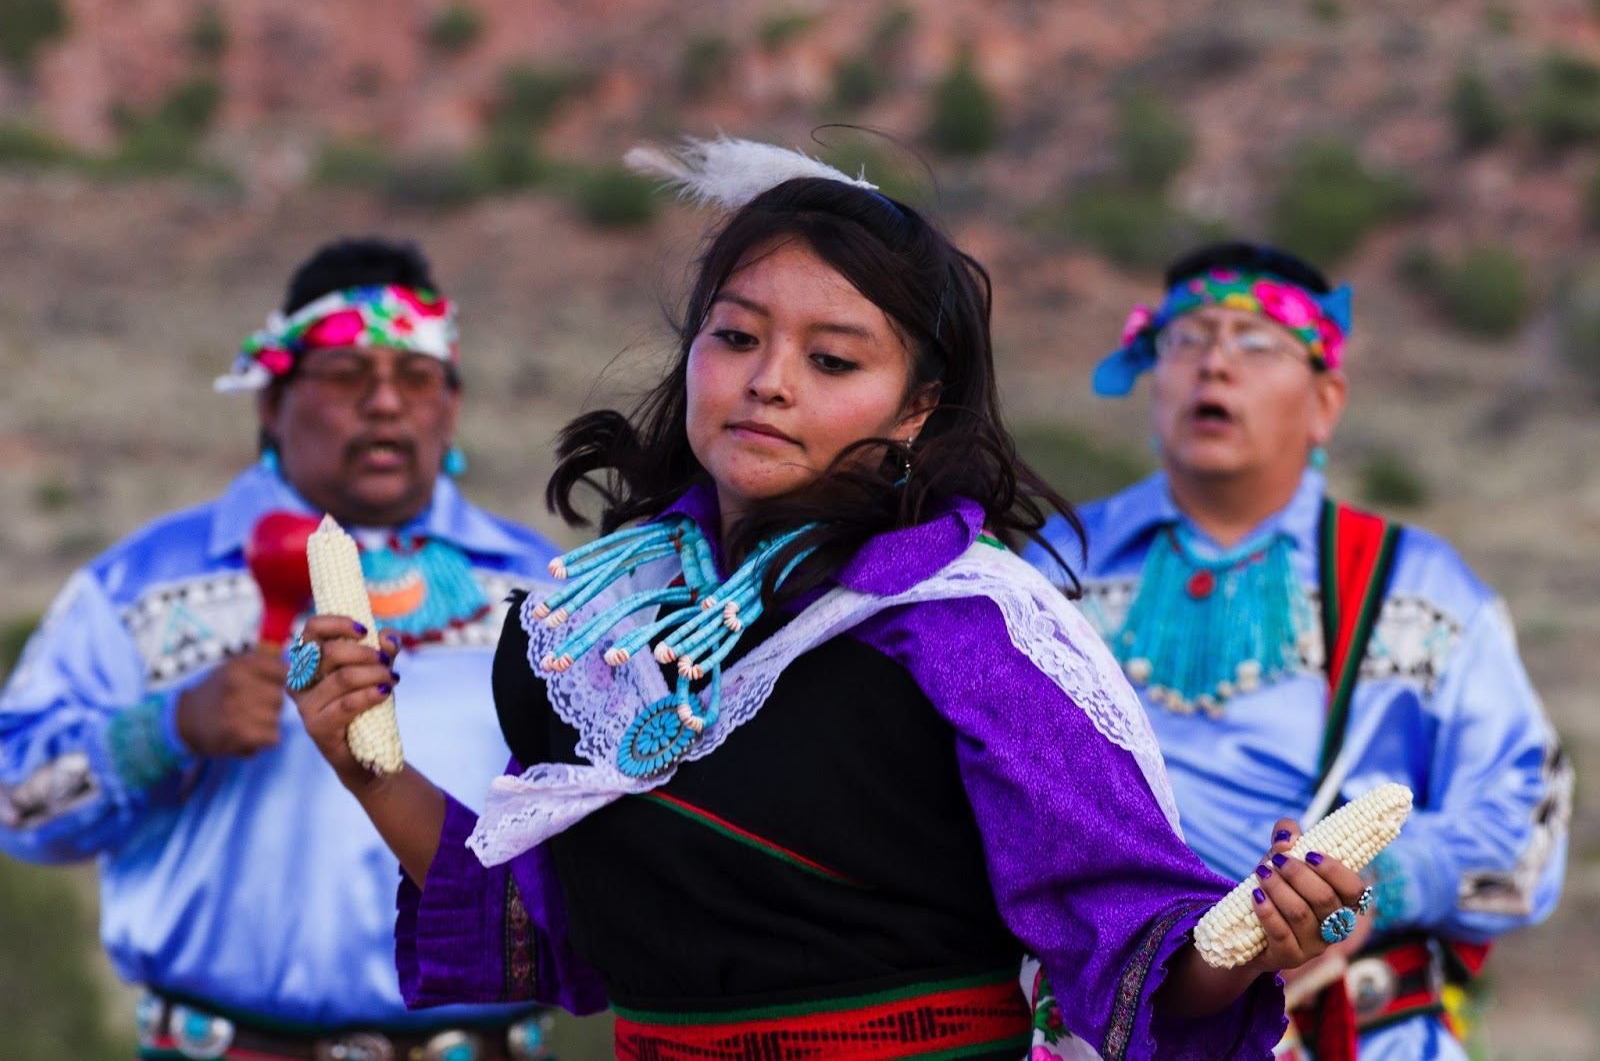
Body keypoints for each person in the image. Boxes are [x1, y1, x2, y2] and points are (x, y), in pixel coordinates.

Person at [289, 141, 1372, 1061]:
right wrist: (367, 766)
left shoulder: (971, 631)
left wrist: (1247, 946)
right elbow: (560, 927)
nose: (769, 380)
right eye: (737, 335)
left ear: (917, 407)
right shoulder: (587, 633)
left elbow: (1130, 957)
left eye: (834, 357)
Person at [0, 238, 561, 1060]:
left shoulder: (540, 596)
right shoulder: (141, 589)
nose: (385, 405)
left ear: (451, 404)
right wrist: (165, 730)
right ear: (270, 401)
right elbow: (14, 802)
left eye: (415, 378)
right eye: (344, 376)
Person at [1025, 241, 1572, 1060]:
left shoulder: (1419, 588)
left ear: (1324, 402)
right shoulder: (1048, 572)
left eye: (1255, 346)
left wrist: (1370, 888)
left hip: (1354, 1032)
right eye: (1187, 339)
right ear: (1153, 378)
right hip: (1106, 1029)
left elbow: (1527, 821)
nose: (1215, 365)